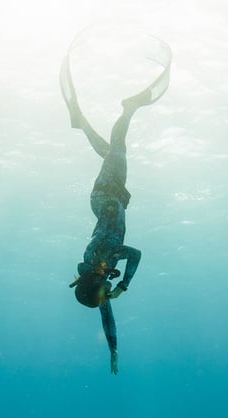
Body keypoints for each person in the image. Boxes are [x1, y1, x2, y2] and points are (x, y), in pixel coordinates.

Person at [62, 36, 170, 375]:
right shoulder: (98, 272)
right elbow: (105, 311)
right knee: (110, 150)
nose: (107, 296)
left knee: (118, 150)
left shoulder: (103, 257)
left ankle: (130, 106)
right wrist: (113, 349)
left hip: (107, 194)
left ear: (98, 283)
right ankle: (80, 122)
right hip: (105, 199)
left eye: (104, 292)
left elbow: (135, 254)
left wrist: (124, 284)